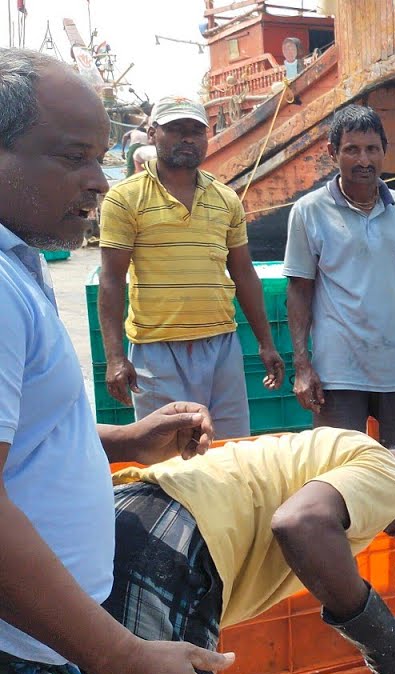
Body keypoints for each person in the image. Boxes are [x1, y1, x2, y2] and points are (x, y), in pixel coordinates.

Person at [0, 47, 246, 674]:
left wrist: (127, 441)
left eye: (100, 158)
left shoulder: (21, 262)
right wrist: (119, 658)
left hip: (47, 646)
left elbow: (27, 441)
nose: (97, 182)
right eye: (72, 157)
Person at [86, 429, 395, 674]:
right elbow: (301, 522)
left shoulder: (343, 453)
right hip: (174, 538)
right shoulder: (390, 476)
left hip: (131, 517)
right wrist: (381, 636)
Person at [99, 96, 285, 438]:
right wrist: (115, 357)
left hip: (221, 346)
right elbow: (111, 280)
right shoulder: (125, 198)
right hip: (157, 349)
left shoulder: (225, 198)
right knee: (168, 454)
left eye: (196, 131)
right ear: (153, 133)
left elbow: (244, 273)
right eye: (175, 129)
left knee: (230, 449)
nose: (187, 138)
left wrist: (266, 342)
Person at [284, 105, 395, 446]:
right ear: (332, 152)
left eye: (372, 149)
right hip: (338, 374)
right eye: (352, 150)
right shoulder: (309, 211)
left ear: (384, 151)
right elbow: (299, 290)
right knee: (340, 467)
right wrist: (302, 365)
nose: (364, 160)